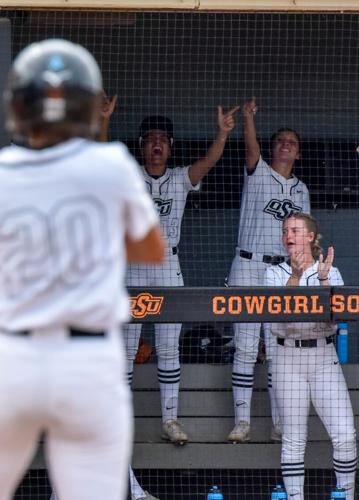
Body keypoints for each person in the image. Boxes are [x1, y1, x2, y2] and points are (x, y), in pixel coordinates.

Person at [0, 39, 165, 500]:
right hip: (89, 361)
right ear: (86, 108)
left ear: (17, 108)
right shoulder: (111, 165)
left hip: (14, 358)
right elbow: (151, 249)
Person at [99, 104, 237, 450]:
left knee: (168, 347)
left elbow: (209, 162)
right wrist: (103, 121)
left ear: (171, 146)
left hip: (168, 268)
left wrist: (222, 132)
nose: (157, 145)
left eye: (163, 140)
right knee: (128, 348)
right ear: (142, 146)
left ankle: (170, 419)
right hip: (132, 267)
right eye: (150, 140)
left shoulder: (179, 178)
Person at [227, 98, 310, 443]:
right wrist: (248, 119)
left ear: (299, 153)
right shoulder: (258, 170)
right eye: (280, 140)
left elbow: (305, 238)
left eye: (292, 142)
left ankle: (279, 424)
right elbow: (251, 148)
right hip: (248, 264)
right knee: (245, 346)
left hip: (281, 273)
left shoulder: (301, 190)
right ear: (273, 147)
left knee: (278, 350)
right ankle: (242, 422)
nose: (286, 145)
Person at [265, 213, 356, 499]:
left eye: (294, 230)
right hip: (287, 359)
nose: (288, 235)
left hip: (322, 357)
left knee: (345, 436)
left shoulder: (330, 271)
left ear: (310, 237)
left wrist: (323, 277)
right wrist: (295, 275)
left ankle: (346, 494)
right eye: (284, 231)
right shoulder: (273, 273)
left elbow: (334, 319)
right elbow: (277, 318)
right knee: (293, 439)